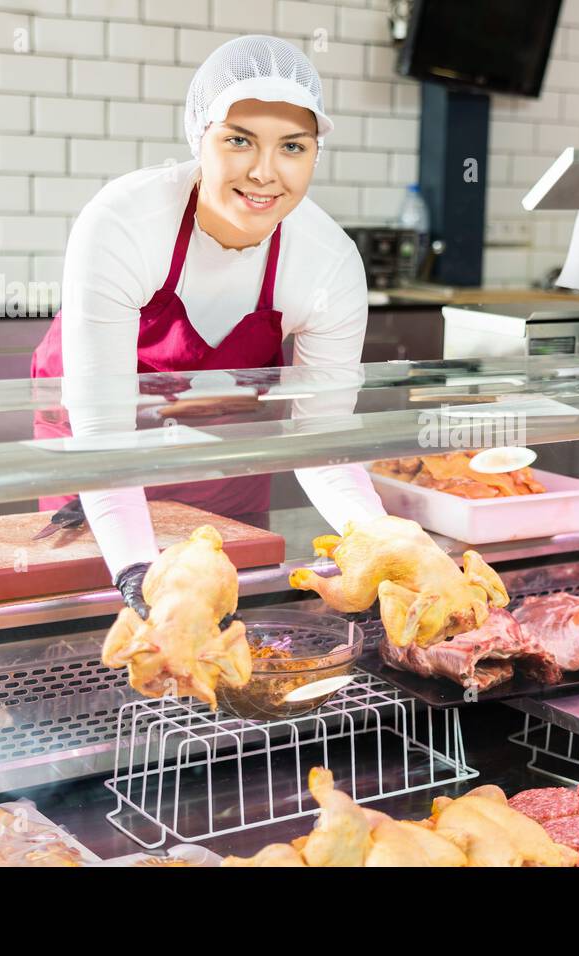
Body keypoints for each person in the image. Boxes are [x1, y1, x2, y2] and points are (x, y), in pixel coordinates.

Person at [30, 35, 386, 616]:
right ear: (200, 137)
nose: (265, 173)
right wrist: (137, 573)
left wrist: (384, 541)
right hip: (96, 479)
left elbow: (322, 443)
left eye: (293, 146)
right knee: (91, 641)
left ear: (315, 154)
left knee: (225, 647)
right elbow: (102, 436)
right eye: (239, 141)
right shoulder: (124, 222)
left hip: (222, 477)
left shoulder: (328, 261)